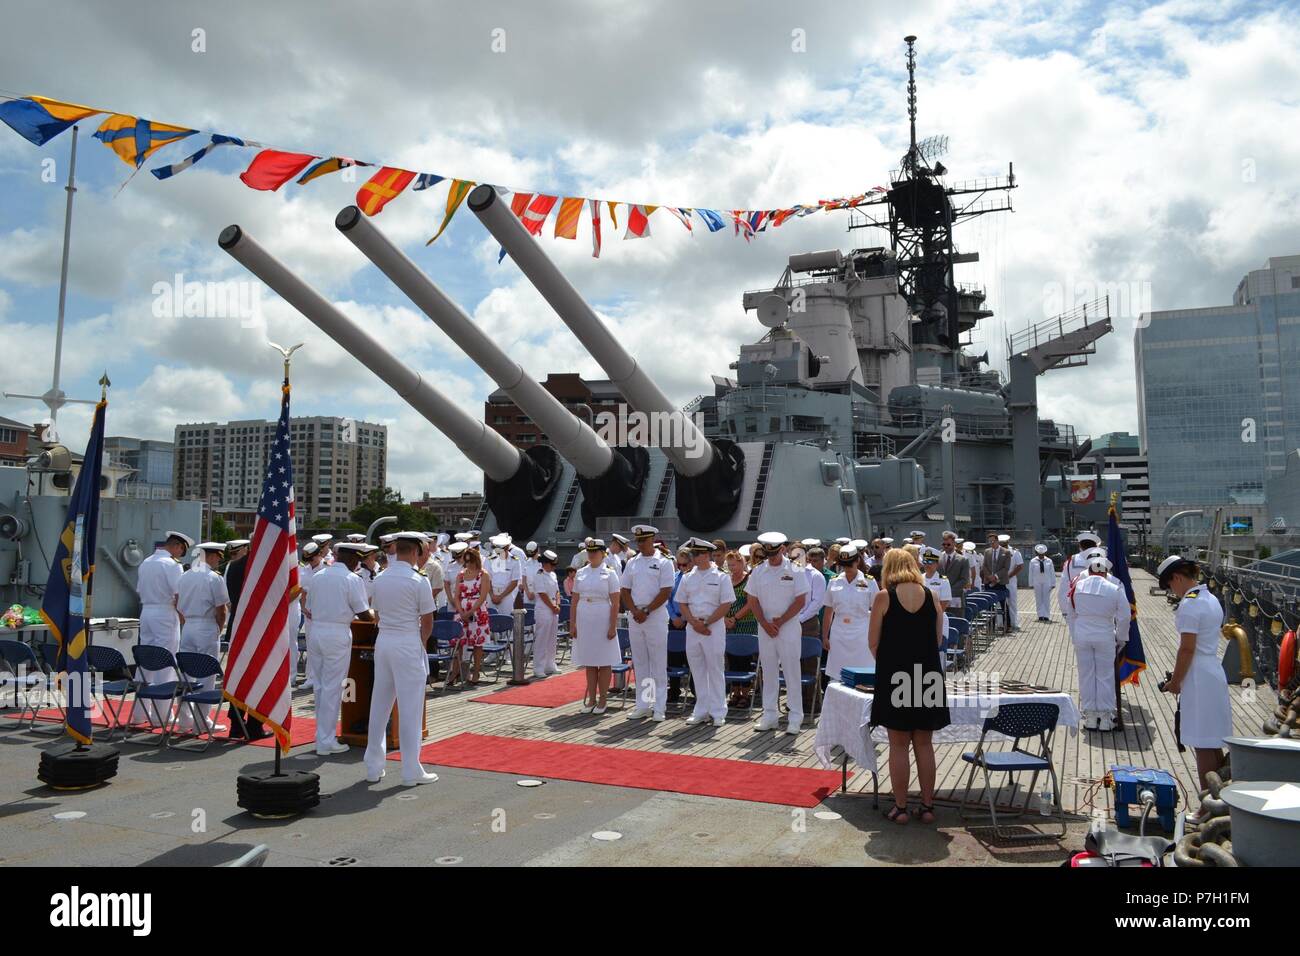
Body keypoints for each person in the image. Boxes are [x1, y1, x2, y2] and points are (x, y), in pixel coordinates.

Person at [868, 548, 950, 825]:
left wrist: (892, 661)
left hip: (895, 675)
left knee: (898, 744)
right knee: (925, 744)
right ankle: (927, 807)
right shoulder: (932, 596)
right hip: (927, 674)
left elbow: (873, 643)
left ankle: (901, 808)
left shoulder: (883, 597)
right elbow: (937, 639)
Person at [363, 533, 437, 786]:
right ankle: (410, 770)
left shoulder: (381, 577)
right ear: (416, 552)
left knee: (379, 705)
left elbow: (377, 615)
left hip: (384, 641)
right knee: (410, 709)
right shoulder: (418, 580)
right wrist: (420, 644)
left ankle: (373, 766)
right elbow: (427, 621)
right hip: (407, 640)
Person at [1158, 556, 1231, 790]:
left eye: (1170, 584)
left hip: (1198, 676)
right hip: (1213, 670)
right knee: (1212, 742)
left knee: (1202, 743)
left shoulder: (1190, 604)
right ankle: (1215, 801)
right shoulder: (1210, 599)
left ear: (1177, 577)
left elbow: (1187, 648)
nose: (1172, 590)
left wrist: (1176, 682)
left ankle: (1205, 805)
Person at [303, 542, 372, 755]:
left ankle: (321, 735)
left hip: (316, 632)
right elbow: (362, 613)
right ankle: (326, 740)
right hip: (337, 633)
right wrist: (377, 619)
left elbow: (311, 608)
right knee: (333, 688)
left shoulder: (318, 576)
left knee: (321, 686)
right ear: (353, 560)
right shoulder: (352, 579)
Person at [745, 531, 810, 735]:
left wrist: (780, 621)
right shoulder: (758, 571)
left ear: (782, 549)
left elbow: (801, 600)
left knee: (792, 672)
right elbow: (752, 600)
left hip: (788, 626)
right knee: (769, 671)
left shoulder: (795, 569)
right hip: (765, 627)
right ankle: (770, 715)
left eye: (774, 553)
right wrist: (764, 623)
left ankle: (795, 717)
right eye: (768, 553)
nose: (771, 557)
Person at [1063, 553, 1129, 731]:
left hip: (1082, 634)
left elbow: (1071, 613)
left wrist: (1075, 634)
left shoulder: (1077, 586)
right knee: (1105, 676)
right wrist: (1121, 638)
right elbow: (1124, 616)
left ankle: (1090, 717)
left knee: (1086, 675)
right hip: (1105, 635)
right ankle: (1106, 718)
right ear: (1106, 571)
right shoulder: (1114, 588)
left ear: (1090, 570)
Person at [131, 531, 191, 726]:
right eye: (181, 550)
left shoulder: (146, 562)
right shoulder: (172, 565)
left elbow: (140, 589)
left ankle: (140, 714)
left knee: (145, 662)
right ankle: (161, 716)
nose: (179, 555)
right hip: (165, 614)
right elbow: (177, 594)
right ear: (177, 546)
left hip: (146, 612)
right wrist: (183, 616)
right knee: (166, 663)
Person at [678, 536, 736, 726]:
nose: (694, 557)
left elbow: (726, 603)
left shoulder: (721, 576)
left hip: (714, 627)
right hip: (694, 627)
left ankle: (718, 711)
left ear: (706, 555)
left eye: (697, 554)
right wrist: (694, 623)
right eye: (693, 553)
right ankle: (701, 709)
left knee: (715, 668)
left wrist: (707, 622)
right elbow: (682, 603)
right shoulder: (688, 577)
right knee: (697, 669)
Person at [620, 524, 675, 721]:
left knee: (658, 663)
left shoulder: (664, 562)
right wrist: (635, 610)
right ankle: (644, 704)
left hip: (655, 615)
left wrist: (647, 610)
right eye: (638, 541)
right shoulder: (633, 562)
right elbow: (625, 589)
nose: (640, 544)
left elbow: (666, 590)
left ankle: (659, 707)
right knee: (641, 662)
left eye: (643, 540)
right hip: (636, 616)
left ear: (652, 539)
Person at [176, 541, 230, 733]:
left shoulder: (185, 576)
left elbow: (177, 602)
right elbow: (221, 609)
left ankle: (184, 721)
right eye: (217, 557)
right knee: (207, 676)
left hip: (188, 626)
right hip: (206, 626)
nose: (218, 561)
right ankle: (202, 721)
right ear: (212, 555)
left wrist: (186, 620)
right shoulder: (213, 578)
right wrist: (218, 628)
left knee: (187, 675)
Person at [571, 539, 621, 714]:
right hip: (585, 615)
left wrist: (612, 626)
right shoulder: (581, 573)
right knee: (590, 661)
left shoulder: (610, 573)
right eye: (589, 552)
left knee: (604, 661)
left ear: (603, 553)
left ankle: (603, 699)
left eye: (595, 552)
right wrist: (573, 623)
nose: (592, 555)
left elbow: (615, 602)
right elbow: (575, 599)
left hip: (602, 615)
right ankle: (591, 698)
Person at [820, 544, 879, 683]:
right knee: (837, 676)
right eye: (844, 564)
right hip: (839, 632)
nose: (846, 568)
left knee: (861, 674)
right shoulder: (834, 582)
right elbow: (828, 611)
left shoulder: (869, 582)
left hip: (861, 633)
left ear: (857, 561)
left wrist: (876, 637)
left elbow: (877, 611)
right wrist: (825, 636)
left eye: (849, 564)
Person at [451, 547, 490, 686]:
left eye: (471, 561)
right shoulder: (460, 575)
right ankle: (457, 671)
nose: (468, 564)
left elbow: (483, 596)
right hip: (462, 608)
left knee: (477, 643)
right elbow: (456, 595)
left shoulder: (483, 575)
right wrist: (461, 611)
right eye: (466, 561)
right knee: (459, 642)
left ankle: (476, 671)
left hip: (477, 610)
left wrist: (470, 611)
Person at [1057, 531, 1102, 625]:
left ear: (1080, 546)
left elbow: (1064, 587)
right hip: (1099, 607)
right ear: (1096, 546)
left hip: (1076, 606)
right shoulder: (1103, 561)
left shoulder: (1071, 561)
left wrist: (1065, 610)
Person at [531, 550, 561, 677]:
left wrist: (557, 604)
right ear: (545, 563)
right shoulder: (539, 575)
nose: (554, 567)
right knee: (542, 638)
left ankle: (550, 664)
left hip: (553, 608)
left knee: (552, 638)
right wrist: (553, 606)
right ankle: (539, 667)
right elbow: (542, 594)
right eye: (552, 564)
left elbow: (557, 592)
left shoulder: (553, 575)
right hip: (544, 608)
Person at [921, 548, 952, 646]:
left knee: (938, 653)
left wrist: (932, 616)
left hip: (938, 620)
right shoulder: (918, 578)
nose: (927, 564)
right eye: (925, 561)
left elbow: (944, 603)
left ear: (937, 563)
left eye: (930, 561)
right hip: (920, 620)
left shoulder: (943, 581)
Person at [486, 533, 522, 616]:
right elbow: (487, 579)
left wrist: (501, 596)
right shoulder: (490, 560)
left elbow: (514, 582)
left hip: (507, 595)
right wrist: (492, 595)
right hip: (491, 593)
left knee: (506, 619)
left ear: (507, 548)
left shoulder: (515, 561)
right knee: (490, 618)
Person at [938, 531, 970, 617]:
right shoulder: (938, 558)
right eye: (943, 544)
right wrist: (942, 588)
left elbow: (964, 579)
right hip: (940, 598)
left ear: (954, 543)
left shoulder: (963, 560)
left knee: (956, 624)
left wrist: (949, 590)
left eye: (948, 544)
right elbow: (939, 576)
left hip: (956, 597)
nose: (945, 547)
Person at [1002, 534, 1024, 631]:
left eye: (1004, 544)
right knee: (1000, 603)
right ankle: (1000, 623)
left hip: (1011, 581)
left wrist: (1009, 575)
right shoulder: (997, 552)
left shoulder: (1015, 552)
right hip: (999, 580)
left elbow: (1020, 566)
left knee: (1012, 602)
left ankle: (1014, 622)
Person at [1028, 544, 1055, 621]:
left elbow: (1052, 572)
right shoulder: (1033, 561)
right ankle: (1040, 615)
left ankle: (1046, 615)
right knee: (1038, 599)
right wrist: (1031, 583)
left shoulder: (1049, 561)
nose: (1041, 555)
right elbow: (1030, 572)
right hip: (1037, 582)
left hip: (1047, 581)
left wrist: (1053, 583)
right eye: (1039, 554)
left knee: (1046, 599)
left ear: (1044, 553)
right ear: (1037, 553)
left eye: (1042, 554)